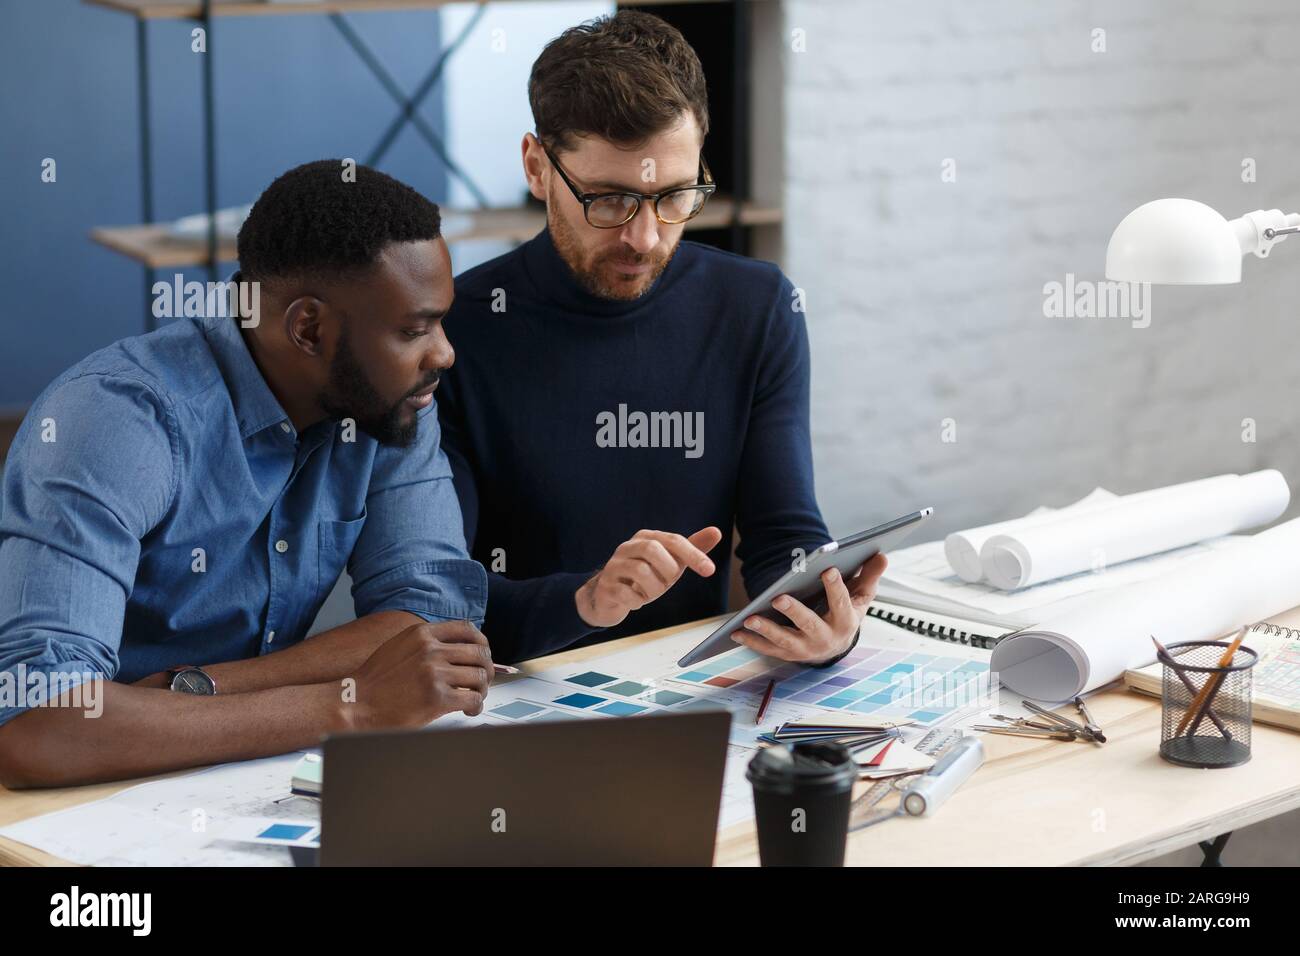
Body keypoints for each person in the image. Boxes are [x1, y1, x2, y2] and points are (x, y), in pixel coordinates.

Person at [0, 161, 493, 788]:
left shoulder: (392, 399)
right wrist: (352, 703)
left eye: (442, 322)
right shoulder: (114, 422)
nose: (444, 353)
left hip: (225, 773)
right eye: (414, 330)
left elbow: (430, 623)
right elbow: (41, 721)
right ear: (308, 328)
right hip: (72, 801)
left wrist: (200, 688)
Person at [436, 11, 886, 668]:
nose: (644, 238)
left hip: (681, 686)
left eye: (675, 196)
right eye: (609, 201)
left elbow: (782, 537)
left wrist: (821, 621)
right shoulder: (455, 332)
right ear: (537, 167)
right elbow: (436, 605)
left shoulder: (756, 307)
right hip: (513, 694)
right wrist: (586, 601)